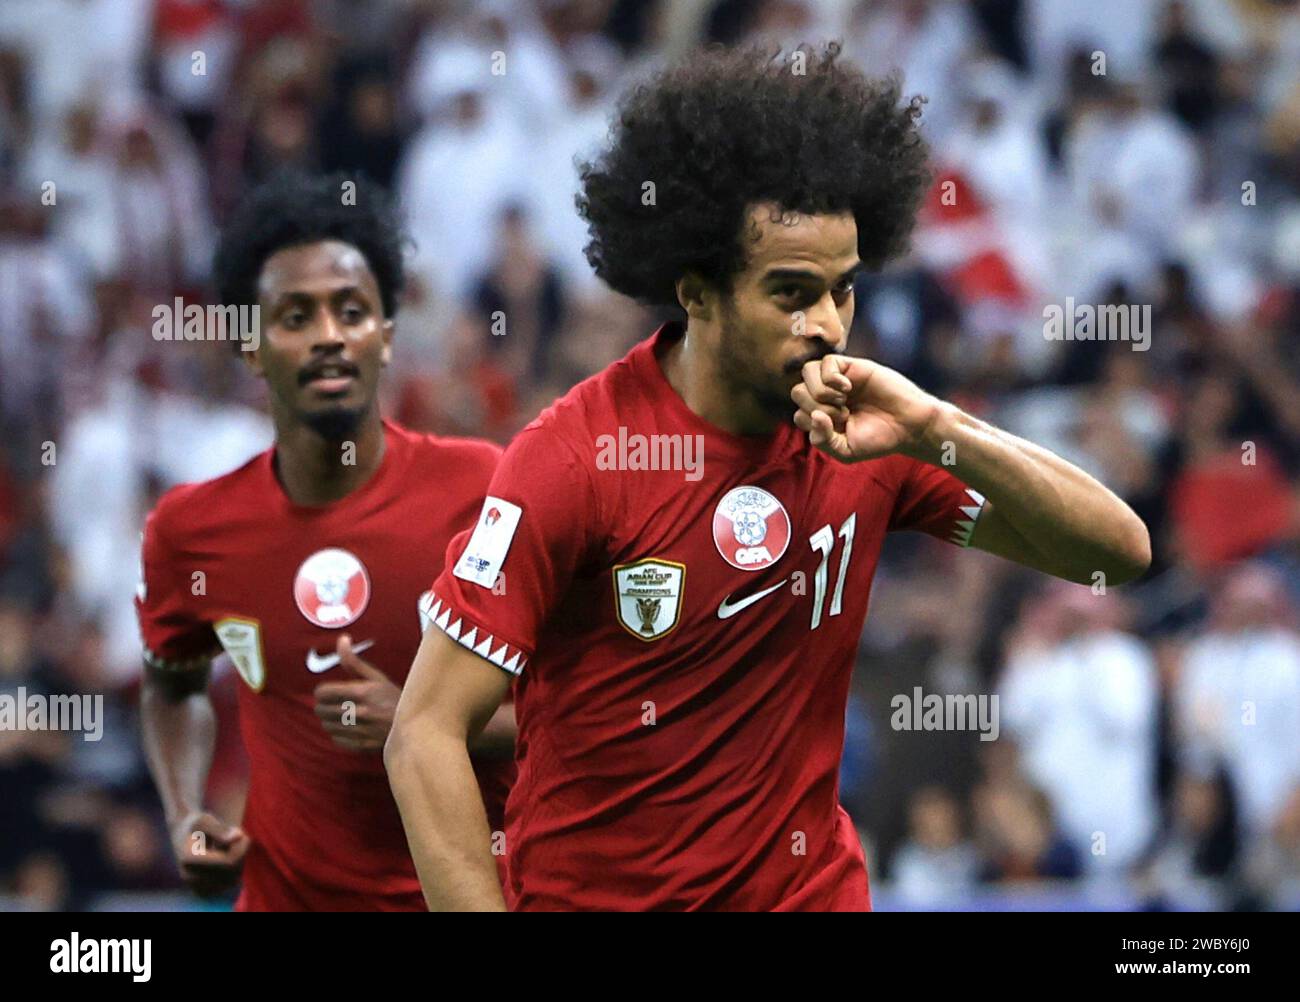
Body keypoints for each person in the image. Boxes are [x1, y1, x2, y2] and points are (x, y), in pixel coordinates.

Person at [386, 43, 1150, 912]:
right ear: (699, 292)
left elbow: (1117, 553)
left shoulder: (875, 437)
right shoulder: (574, 460)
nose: (827, 323)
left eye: (844, 290)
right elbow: (424, 734)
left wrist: (941, 428)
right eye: (791, 293)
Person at [137, 172, 514, 910]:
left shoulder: (485, 492)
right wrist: (186, 812)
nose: (330, 335)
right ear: (250, 348)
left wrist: (425, 725)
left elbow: (581, 709)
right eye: (295, 315)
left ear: (386, 338)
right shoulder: (192, 531)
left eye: (351, 311)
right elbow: (171, 686)